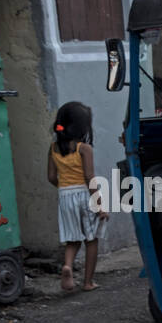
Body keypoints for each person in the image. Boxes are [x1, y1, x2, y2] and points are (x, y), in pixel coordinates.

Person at [46, 101, 108, 292]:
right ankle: (88, 282)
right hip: (83, 194)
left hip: (65, 195)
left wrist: (65, 188)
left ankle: (67, 266)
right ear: (83, 127)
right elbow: (89, 177)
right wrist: (99, 205)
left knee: (72, 239)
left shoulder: (54, 148)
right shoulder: (84, 149)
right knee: (91, 239)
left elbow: (51, 177)